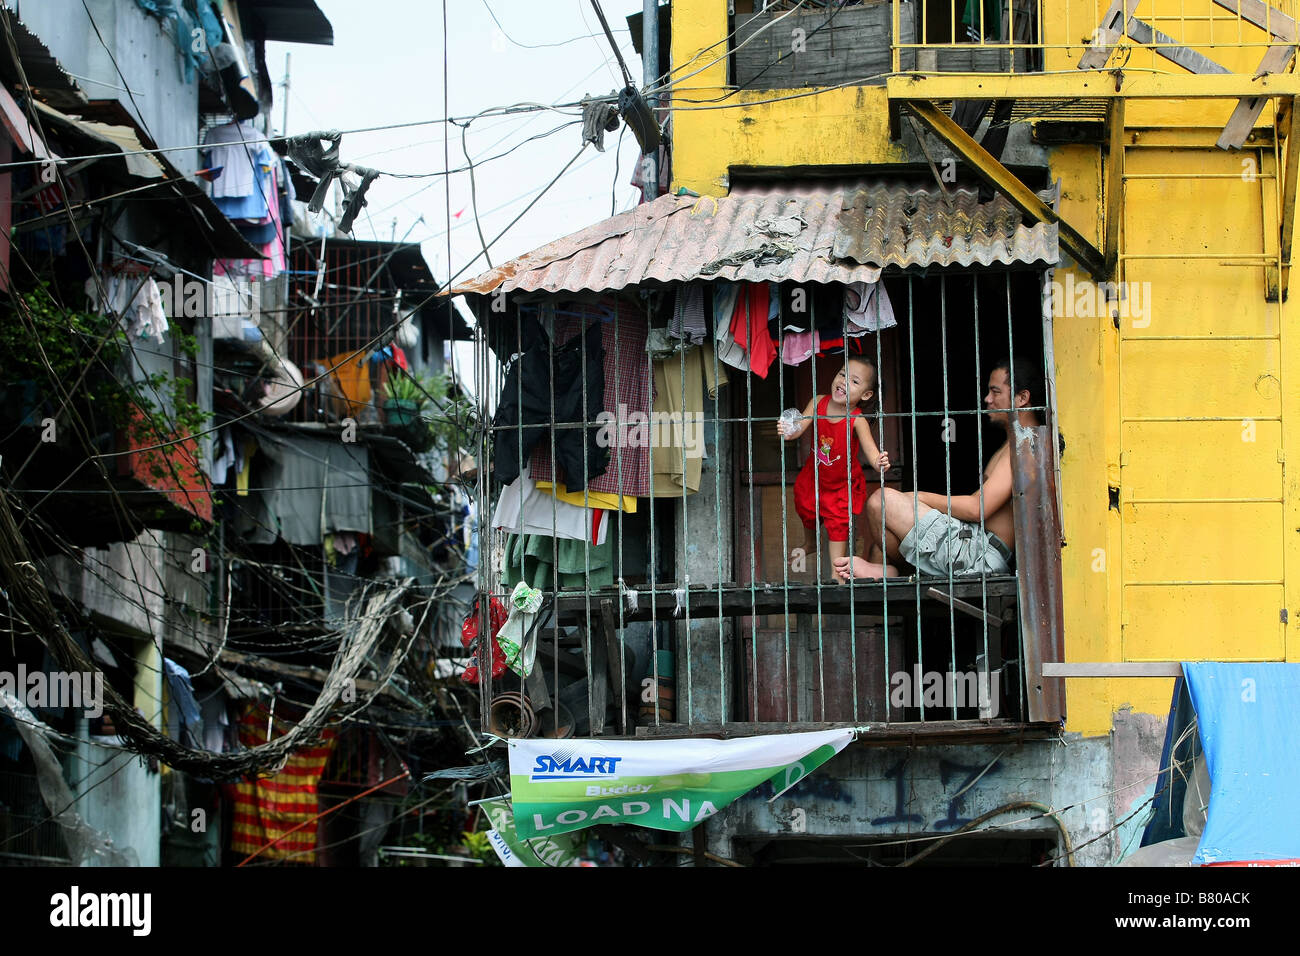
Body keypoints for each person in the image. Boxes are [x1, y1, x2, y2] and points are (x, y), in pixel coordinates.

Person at [833, 356, 1042, 581]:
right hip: (972, 543)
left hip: (980, 554)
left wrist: (918, 497)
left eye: (996, 392)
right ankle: (891, 571)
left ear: (1022, 398)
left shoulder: (1025, 445)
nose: (987, 399)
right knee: (878, 546)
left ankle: (894, 571)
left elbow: (977, 509)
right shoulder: (1015, 443)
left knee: (881, 501)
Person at [778, 357, 890, 580]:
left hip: (841, 486)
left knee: (837, 525)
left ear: (866, 395)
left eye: (854, 381)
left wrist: (880, 462)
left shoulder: (857, 420)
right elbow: (799, 428)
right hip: (814, 479)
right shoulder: (818, 402)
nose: (844, 382)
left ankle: (836, 576)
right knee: (806, 508)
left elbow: (872, 453)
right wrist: (788, 429)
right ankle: (810, 543)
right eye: (842, 374)